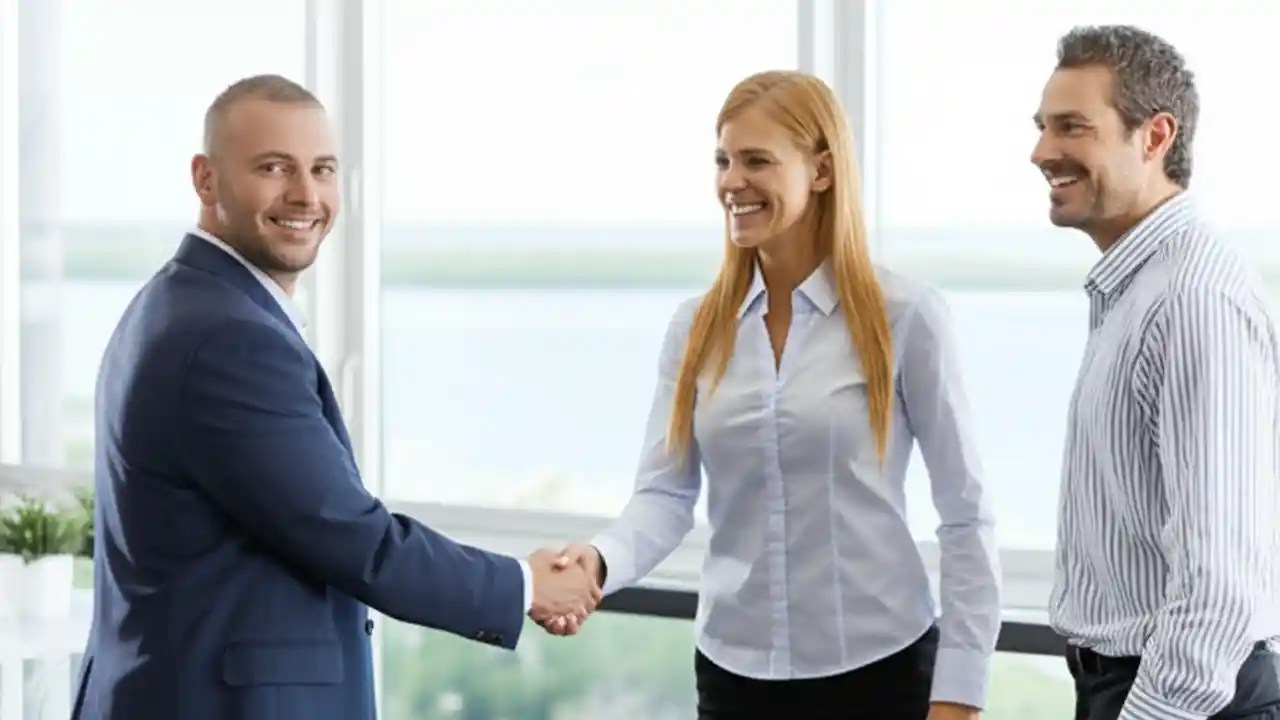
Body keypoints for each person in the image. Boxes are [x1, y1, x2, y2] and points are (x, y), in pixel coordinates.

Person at [71, 74, 600, 720]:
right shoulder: (228, 338)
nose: (307, 194)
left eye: (322, 169)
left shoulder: (175, 303)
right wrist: (524, 586)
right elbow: (354, 538)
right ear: (206, 180)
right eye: (273, 167)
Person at [552, 70, 1001, 720]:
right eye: (723, 161)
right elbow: (664, 495)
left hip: (882, 674)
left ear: (821, 170)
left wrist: (959, 696)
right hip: (734, 680)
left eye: (756, 160)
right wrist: (598, 562)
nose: (732, 182)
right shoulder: (696, 329)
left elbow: (966, 517)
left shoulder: (907, 317)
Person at [1032, 25, 1280, 720]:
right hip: (1131, 688)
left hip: (1181, 700)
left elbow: (1219, 588)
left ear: (1155, 135)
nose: (1042, 151)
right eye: (1043, 127)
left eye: (1072, 127)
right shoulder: (1137, 288)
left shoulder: (1193, 297)